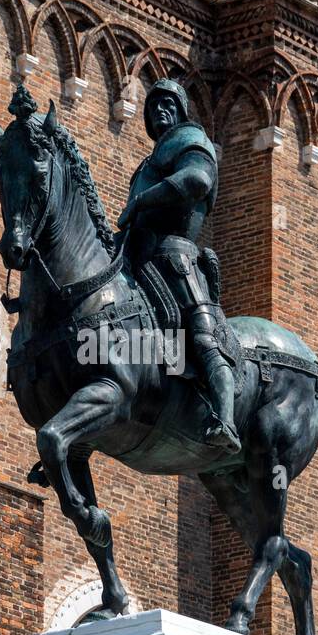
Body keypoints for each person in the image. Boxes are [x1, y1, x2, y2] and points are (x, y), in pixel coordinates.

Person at [117, 79, 240, 453]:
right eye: (153, 105)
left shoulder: (190, 141)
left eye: (168, 103)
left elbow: (197, 180)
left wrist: (141, 203)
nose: (159, 110)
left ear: (181, 109)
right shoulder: (150, 161)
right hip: (138, 255)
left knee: (202, 338)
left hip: (176, 255)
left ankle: (225, 419)